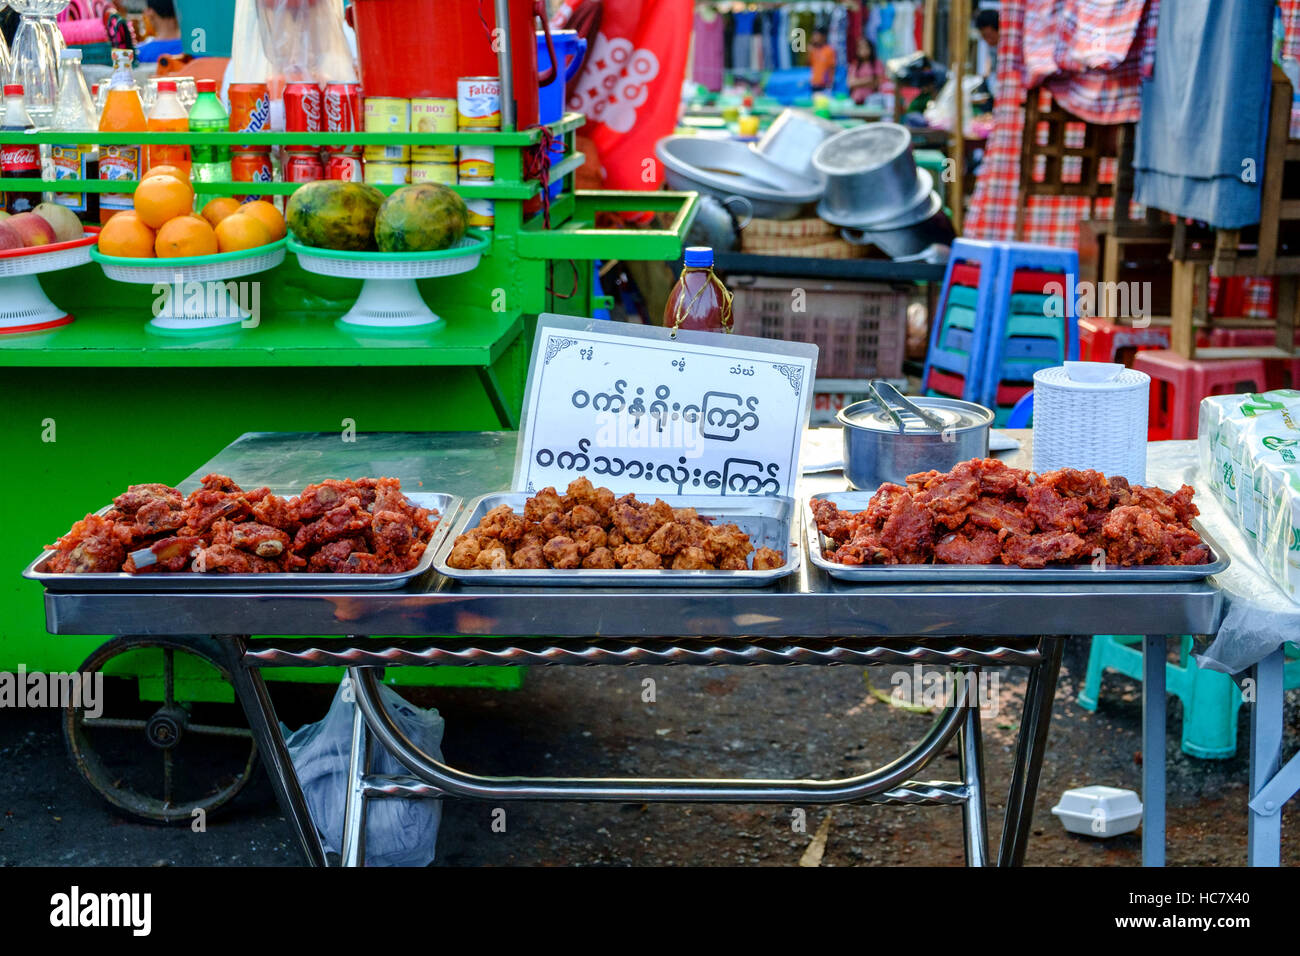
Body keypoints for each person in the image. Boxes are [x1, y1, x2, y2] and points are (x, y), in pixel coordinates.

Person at [847, 36, 884, 105]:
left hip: (873, 101)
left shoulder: (877, 63)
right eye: (861, 48)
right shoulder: (855, 65)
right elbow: (850, 83)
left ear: (870, 49)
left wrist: (858, 82)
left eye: (865, 47)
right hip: (856, 100)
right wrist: (869, 80)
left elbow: (878, 82)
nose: (863, 50)